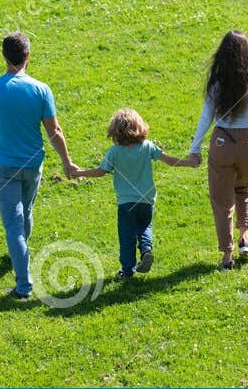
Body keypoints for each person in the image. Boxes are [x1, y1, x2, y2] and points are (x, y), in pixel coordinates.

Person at [0, 32, 79, 299]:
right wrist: (66, 162)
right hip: (33, 164)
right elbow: (54, 131)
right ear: (28, 56)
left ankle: (23, 285)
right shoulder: (40, 89)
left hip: (3, 166)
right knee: (26, 212)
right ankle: (18, 252)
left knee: (13, 223)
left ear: (3, 56)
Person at [185, 30, 248, 270]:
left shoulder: (217, 83)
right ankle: (244, 238)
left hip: (222, 143)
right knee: (244, 188)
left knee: (222, 201)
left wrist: (195, 146)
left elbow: (206, 117)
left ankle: (227, 254)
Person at [70, 109, 198, 279]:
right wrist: (189, 163)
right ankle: (146, 250)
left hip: (126, 203)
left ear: (115, 131)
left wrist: (79, 173)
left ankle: (127, 270)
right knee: (145, 227)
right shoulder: (147, 146)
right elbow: (169, 161)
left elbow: (101, 172)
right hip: (146, 200)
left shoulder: (114, 152)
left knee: (126, 236)